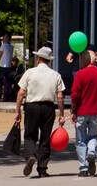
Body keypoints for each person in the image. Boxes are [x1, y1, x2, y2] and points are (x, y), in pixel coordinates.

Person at [15, 45, 66, 177]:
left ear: (38, 59)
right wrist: (61, 114)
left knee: (30, 135)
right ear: (49, 60)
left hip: (32, 106)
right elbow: (60, 96)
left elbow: (21, 93)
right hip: (48, 107)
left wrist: (17, 111)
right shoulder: (55, 75)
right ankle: (42, 168)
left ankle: (31, 155)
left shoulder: (30, 72)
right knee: (45, 138)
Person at [70, 50, 97, 177]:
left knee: (80, 140)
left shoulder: (80, 74)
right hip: (95, 111)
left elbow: (75, 94)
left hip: (81, 111)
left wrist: (73, 110)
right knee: (94, 136)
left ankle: (83, 168)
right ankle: (91, 152)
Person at [0, 34, 15, 101]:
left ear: (7, 39)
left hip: (2, 65)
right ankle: (8, 96)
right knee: (8, 82)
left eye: (4, 38)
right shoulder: (11, 47)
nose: (3, 39)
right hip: (9, 66)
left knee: (0, 82)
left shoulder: (3, 46)